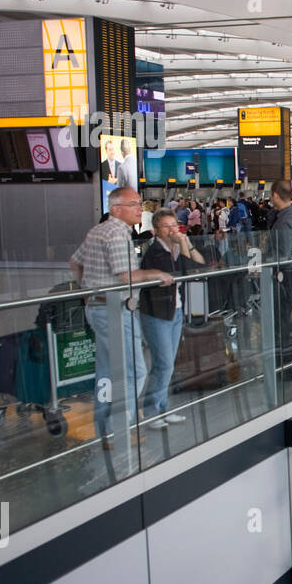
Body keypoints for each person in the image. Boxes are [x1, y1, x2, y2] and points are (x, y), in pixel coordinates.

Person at [69, 187, 174, 451]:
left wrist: (87, 292)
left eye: (139, 204)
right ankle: (121, 426)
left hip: (97, 307)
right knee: (134, 371)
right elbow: (125, 276)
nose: (140, 209)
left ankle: (105, 431)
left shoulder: (97, 231)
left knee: (106, 372)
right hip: (115, 311)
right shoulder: (116, 233)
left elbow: (74, 262)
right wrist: (156, 274)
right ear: (116, 209)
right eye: (134, 204)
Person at [138, 209, 206, 428]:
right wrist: (183, 244)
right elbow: (184, 271)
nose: (173, 230)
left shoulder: (176, 247)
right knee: (163, 363)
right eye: (167, 226)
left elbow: (199, 265)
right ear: (156, 231)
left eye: (174, 225)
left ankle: (162, 408)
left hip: (175, 311)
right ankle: (150, 412)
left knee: (167, 364)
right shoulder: (155, 252)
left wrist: (187, 243)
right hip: (157, 313)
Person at [264, 179, 292, 382]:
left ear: (274, 195)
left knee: (279, 325)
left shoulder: (284, 221)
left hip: (284, 277)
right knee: (283, 325)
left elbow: (281, 254)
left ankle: (281, 371)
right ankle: (284, 369)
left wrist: (263, 264)